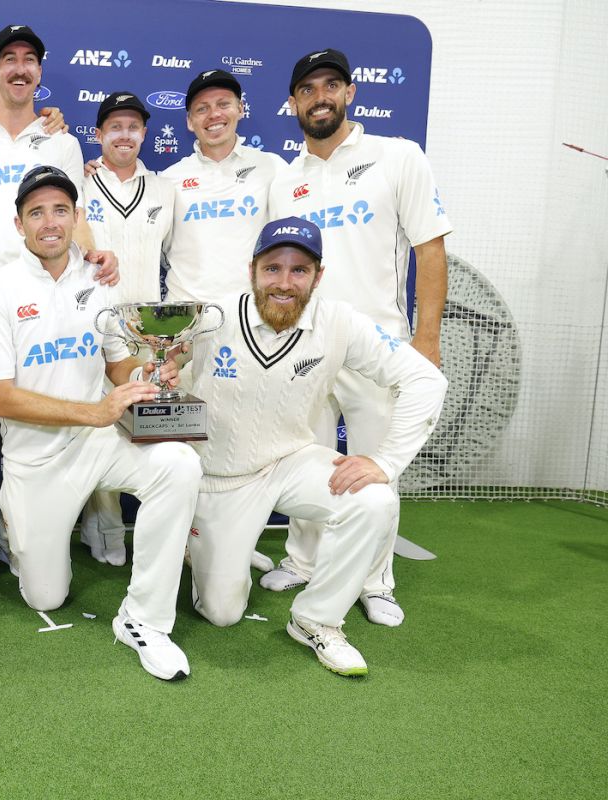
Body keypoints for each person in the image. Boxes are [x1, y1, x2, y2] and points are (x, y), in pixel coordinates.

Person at [181, 217, 446, 675]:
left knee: (374, 499)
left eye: (299, 270)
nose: (284, 283)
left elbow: (425, 378)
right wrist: (159, 371)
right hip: (221, 479)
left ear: (318, 276)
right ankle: (203, 546)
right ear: (253, 270)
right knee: (221, 613)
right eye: (273, 269)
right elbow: (150, 368)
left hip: (290, 462)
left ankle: (316, 620)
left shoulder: (338, 321)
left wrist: (385, 462)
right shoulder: (212, 317)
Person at [0, 166, 201, 681]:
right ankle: (16, 531)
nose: (49, 222)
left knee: (180, 465)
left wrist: (147, 371)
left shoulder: (99, 280)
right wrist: (95, 412)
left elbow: (115, 364)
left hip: (98, 444)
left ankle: (143, 621)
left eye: (60, 210)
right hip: (36, 462)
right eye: (36, 213)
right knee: (44, 596)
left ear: (77, 217)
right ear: (18, 224)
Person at [264, 48, 453, 627]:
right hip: (304, 348)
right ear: (293, 102)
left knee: (375, 467)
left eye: (331, 86)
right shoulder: (285, 178)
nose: (319, 97)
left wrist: (426, 339)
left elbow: (431, 248)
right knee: (306, 457)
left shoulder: (397, 157)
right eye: (307, 89)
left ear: (349, 93)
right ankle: (302, 559)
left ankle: (376, 581)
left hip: (378, 346)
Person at [0, 24, 114, 583]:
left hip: (47, 287)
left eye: (29, 60)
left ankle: (22, 532)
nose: (19, 68)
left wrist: (96, 255)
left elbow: (73, 217)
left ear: (39, 71)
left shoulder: (61, 139)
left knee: (37, 408)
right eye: (8, 59)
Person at [78, 91, 175, 566]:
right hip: (92, 327)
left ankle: (163, 535)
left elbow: (179, 258)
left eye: (133, 126)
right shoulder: (80, 185)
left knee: (152, 430)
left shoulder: (164, 188)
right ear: (98, 135)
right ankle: (108, 530)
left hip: (149, 332)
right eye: (114, 126)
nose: (124, 134)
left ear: (144, 133)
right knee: (102, 425)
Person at [161, 69, 285, 303]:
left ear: (240, 109)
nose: (213, 115)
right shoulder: (168, 179)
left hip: (252, 317)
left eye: (223, 104)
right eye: (202, 109)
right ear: (189, 121)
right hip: (185, 320)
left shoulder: (272, 166)